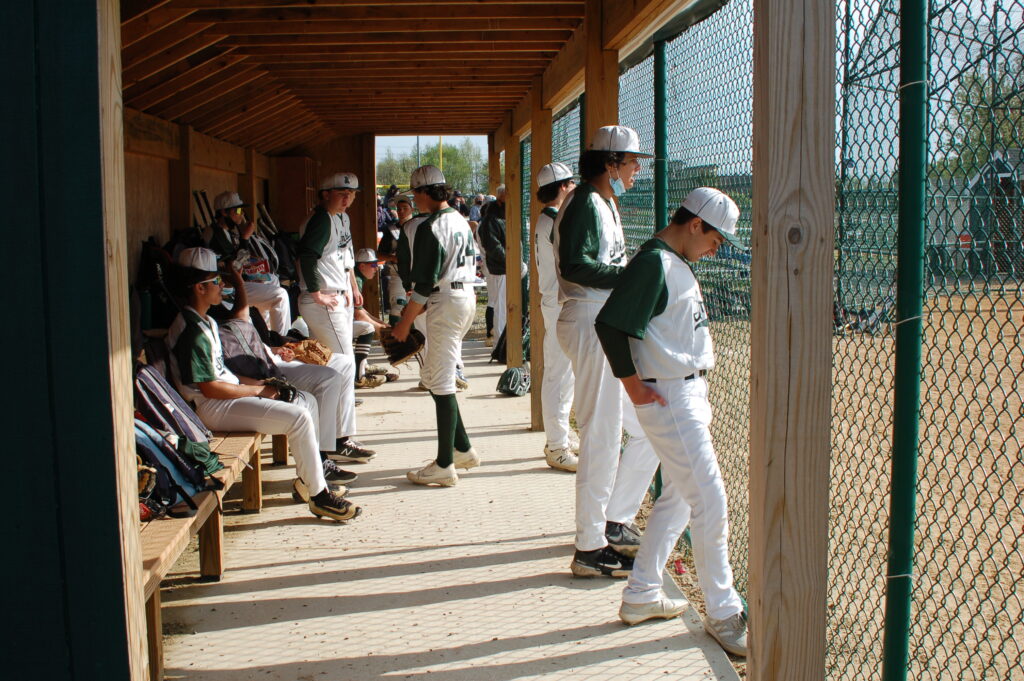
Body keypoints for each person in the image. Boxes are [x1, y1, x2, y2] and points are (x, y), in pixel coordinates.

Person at [595, 188, 748, 656]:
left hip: (685, 389)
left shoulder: (674, 262)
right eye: (717, 239)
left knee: (680, 500)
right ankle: (724, 612)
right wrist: (634, 386)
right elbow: (610, 324)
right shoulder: (654, 262)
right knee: (711, 500)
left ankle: (642, 592)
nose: (717, 248)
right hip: (669, 392)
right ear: (696, 223)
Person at [167, 247, 360, 522]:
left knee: (305, 400)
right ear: (200, 287)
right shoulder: (191, 330)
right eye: (216, 282)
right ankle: (319, 497)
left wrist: (267, 384)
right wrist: (259, 390)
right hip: (211, 407)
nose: (222, 286)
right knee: (299, 417)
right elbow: (211, 388)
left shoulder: (205, 319)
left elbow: (223, 375)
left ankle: (309, 482)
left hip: (227, 396)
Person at [553, 125, 651, 578]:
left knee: (649, 425)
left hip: (600, 318)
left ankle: (613, 521)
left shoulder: (603, 201)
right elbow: (576, 265)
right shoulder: (586, 201)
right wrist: (630, 278)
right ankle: (589, 547)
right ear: (610, 163)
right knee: (601, 435)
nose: (637, 169)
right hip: (589, 317)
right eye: (631, 161)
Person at [391, 165, 480, 486]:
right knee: (434, 377)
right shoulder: (458, 218)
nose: (414, 200)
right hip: (463, 296)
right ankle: (462, 449)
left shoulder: (430, 227)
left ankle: (444, 465)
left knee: (441, 382)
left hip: (445, 301)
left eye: (415, 193)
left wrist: (405, 321)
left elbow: (425, 284)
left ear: (426, 192)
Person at [532, 162, 579, 473]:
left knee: (561, 376)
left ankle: (558, 439)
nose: (574, 187)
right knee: (560, 377)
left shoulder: (546, 218)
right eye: (571, 182)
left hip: (554, 303)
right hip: (561, 304)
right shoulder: (555, 219)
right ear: (562, 186)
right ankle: (557, 445)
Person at [205, 191, 292, 335]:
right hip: (228, 289)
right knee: (280, 295)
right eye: (238, 210)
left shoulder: (227, 231)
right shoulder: (215, 233)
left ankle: (266, 332)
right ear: (224, 213)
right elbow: (233, 266)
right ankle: (281, 339)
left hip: (236, 281)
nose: (241, 214)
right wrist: (245, 238)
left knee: (273, 279)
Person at [296, 173, 362, 356]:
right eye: (341, 193)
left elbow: (343, 257)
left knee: (323, 360)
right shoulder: (321, 219)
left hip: (333, 295)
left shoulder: (337, 217)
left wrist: (351, 287)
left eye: (351, 193)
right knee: (344, 359)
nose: (347, 198)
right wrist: (317, 295)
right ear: (326, 195)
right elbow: (307, 257)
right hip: (324, 298)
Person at [352, 247, 398, 387]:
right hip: (334, 322)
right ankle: (359, 377)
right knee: (367, 328)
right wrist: (380, 329)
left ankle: (363, 367)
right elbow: (358, 315)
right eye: (373, 265)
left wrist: (380, 322)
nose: (376, 268)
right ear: (362, 266)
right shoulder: (357, 280)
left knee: (369, 325)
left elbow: (360, 310)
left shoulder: (358, 277)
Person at [477, 185, 508, 341]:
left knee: (498, 305)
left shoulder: (502, 217)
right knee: (498, 307)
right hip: (498, 269)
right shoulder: (490, 221)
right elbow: (494, 248)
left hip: (499, 268)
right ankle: (500, 344)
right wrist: (513, 262)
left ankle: (497, 340)